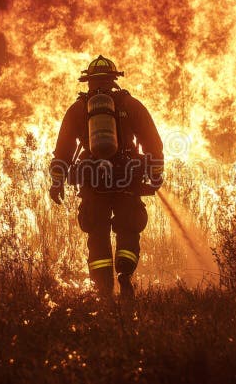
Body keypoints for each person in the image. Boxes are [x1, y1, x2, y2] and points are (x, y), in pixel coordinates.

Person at [49, 55, 164, 299]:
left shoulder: (78, 109)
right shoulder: (130, 104)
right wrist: (154, 174)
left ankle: (103, 290)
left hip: (93, 182)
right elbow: (152, 142)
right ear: (114, 80)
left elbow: (63, 151)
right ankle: (125, 275)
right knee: (128, 227)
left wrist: (57, 182)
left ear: (88, 82)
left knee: (97, 232)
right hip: (127, 180)